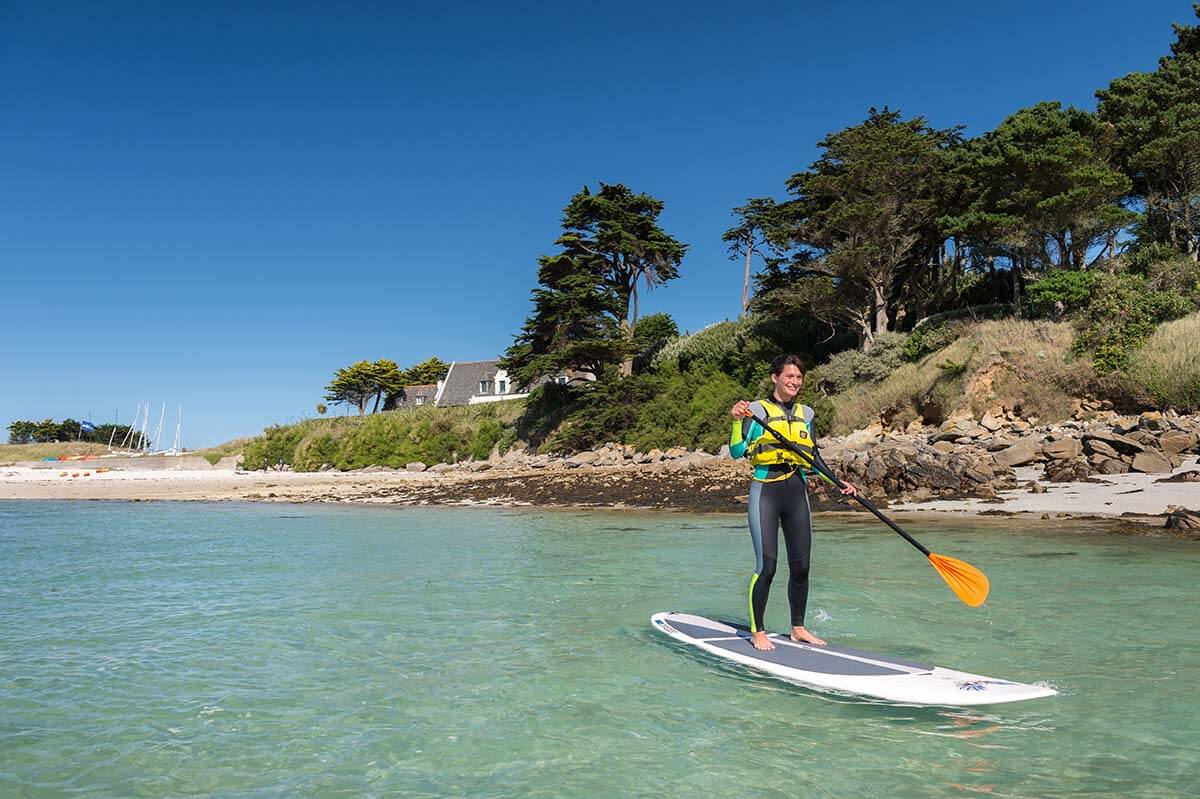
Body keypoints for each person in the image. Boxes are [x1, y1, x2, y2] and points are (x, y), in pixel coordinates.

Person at [729, 354, 858, 651]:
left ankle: (798, 628)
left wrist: (839, 484)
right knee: (768, 567)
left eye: (799, 377)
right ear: (775, 377)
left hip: (797, 491)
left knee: (801, 567)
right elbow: (737, 451)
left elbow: (814, 458)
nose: (794, 382)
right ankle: (757, 630)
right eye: (789, 376)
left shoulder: (807, 414)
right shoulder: (757, 411)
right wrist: (737, 422)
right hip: (766, 490)